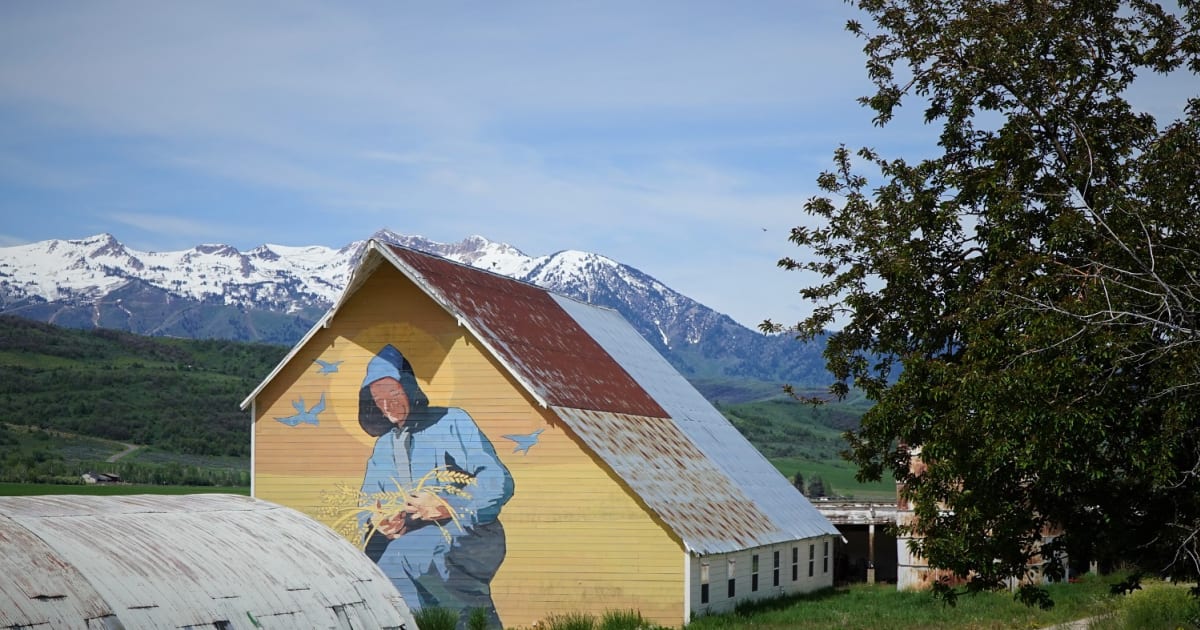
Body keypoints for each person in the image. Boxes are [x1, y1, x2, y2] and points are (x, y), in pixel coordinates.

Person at [358, 344, 515, 629]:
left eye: (394, 394)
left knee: (407, 559)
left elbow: (499, 481)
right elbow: (367, 505)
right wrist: (380, 522)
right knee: (387, 569)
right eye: (379, 400)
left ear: (410, 389)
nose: (388, 406)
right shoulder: (383, 447)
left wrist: (448, 505)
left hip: (472, 533)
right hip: (410, 543)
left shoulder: (453, 421)